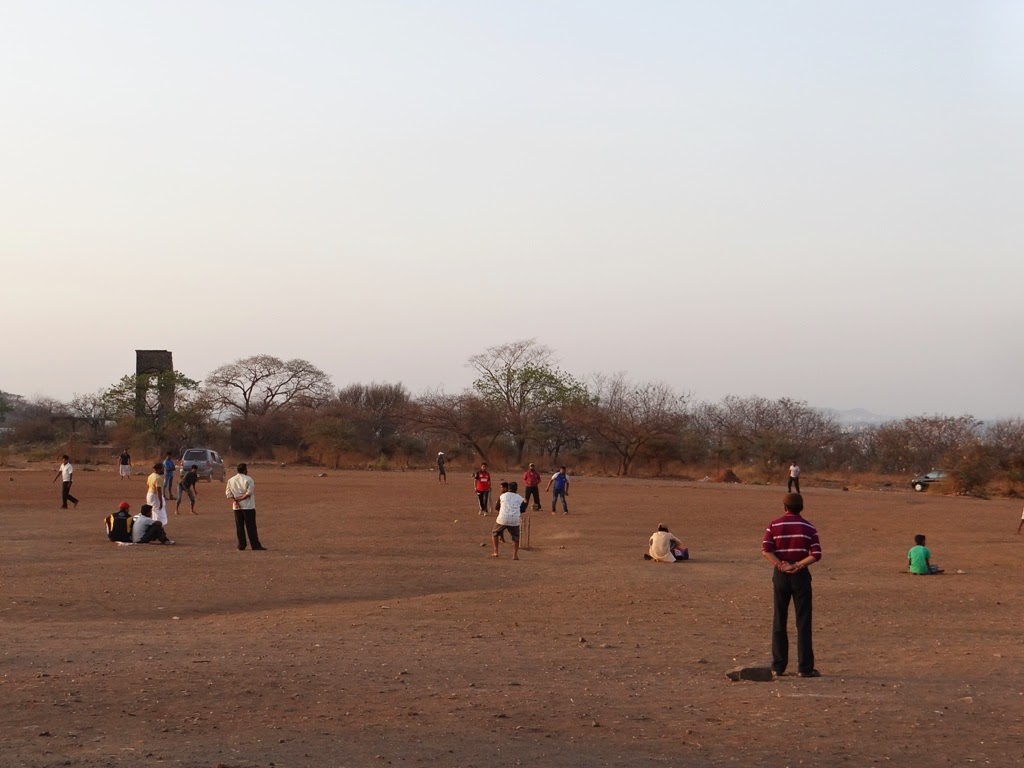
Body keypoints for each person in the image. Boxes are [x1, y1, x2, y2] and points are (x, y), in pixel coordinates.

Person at [762, 492, 822, 678]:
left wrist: (780, 565)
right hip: (800, 576)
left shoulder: (774, 525)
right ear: (801, 508)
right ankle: (805, 667)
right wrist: (797, 565)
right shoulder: (809, 527)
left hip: (780, 576)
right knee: (803, 621)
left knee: (779, 619)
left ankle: (778, 666)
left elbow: (766, 550)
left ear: (785, 507)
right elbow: (816, 554)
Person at [226, 463, 265, 551]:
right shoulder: (249, 479)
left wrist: (235, 501)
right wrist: (240, 499)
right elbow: (248, 493)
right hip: (248, 506)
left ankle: (241, 545)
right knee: (251, 526)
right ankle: (255, 545)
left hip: (237, 507)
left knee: (239, 526)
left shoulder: (231, 480)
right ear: (244, 470)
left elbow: (228, 494)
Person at [492, 480, 527, 560]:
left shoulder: (502, 496)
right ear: (516, 489)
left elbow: (497, 507)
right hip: (514, 519)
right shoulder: (519, 497)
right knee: (516, 537)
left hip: (502, 518)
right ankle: (515, 555)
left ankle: (496, 552)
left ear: (508, 488)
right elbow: (523, 509)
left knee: (495, 533)